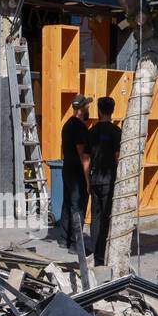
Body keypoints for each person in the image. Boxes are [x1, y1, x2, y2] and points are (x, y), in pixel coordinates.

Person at [88, 95, 122, 266]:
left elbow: (87, 158)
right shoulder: (117, 132)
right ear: (112, 110)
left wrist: (88, 180)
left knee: (95, 216)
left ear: (99, 111)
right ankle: (103, 252)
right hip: (110, 180)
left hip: (94, 179)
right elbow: (118, 157)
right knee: (107, 217)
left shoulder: (91, 132)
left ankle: (94, 252)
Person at [59, 95, 91, 252]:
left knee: (68, 204)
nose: (89, 110)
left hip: (67, 169)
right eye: (87, 107)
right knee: (77, 206)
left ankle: (64, 239)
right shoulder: (79, 128)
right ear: (82, 108)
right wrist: (88, 179)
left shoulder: (67, 125)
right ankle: (75, 243)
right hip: (77, 172)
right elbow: (83, 155)